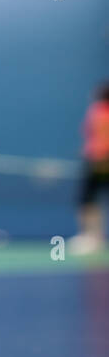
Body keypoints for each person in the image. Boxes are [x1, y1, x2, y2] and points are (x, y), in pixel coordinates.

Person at [70, 82, 109, 256]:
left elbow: (99, 134)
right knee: (89, 199)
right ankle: (93, 238)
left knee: (87, 199)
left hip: (99, 161)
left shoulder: (98, 111)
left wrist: (100, 155)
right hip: (98, 159)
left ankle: (91, 238)